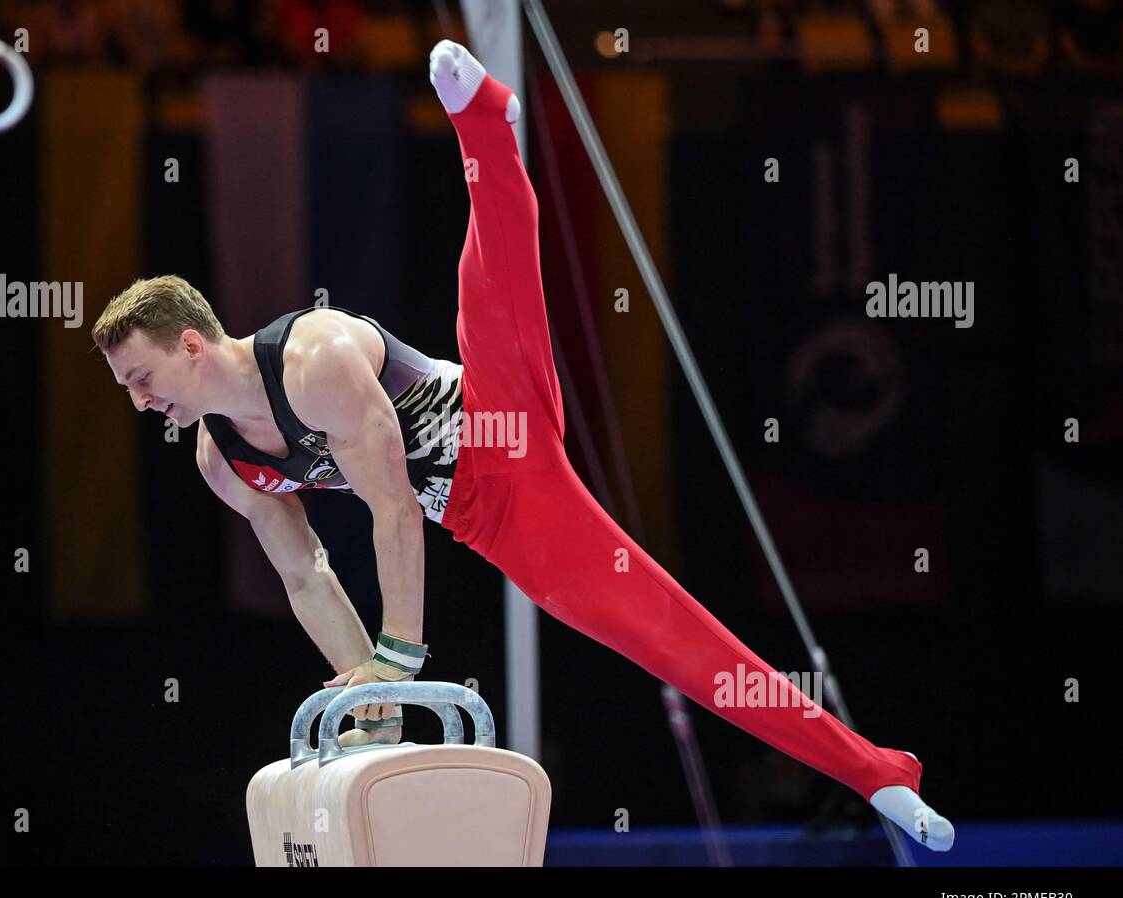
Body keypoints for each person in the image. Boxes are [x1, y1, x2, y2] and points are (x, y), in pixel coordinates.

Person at [92, 40, 954, 851]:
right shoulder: (222, 459)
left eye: (139, 376)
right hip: (495, 520)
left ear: (190, 345)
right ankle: (876, 773)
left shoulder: (313, 356)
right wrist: (371, 687)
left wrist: (400, 658)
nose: (137, 401)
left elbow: (392, 510)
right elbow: (305, 572)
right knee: (670, 641)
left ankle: (484, 132)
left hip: (504, 430)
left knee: (490, 285)